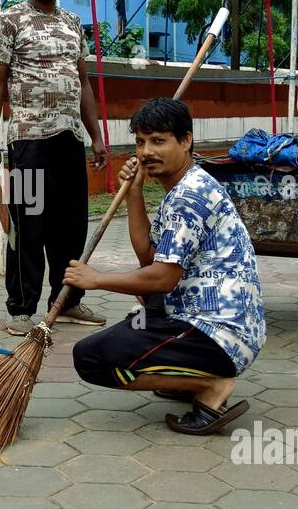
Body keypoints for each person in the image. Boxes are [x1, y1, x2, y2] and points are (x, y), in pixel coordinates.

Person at [65, 98, 265, 435]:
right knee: (141, 309)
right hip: (216, 325)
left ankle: (211, 385)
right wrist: (134, 191)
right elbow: (149, 257)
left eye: (158, 141)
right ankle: (186, 377)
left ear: (186, 140)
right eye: (140, 142)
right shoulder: (184, 186)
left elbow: (161, 277)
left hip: (220, 335)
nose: (146, 152)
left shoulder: (189, 197)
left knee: (91, 357)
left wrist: (97, 280)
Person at [0, 0, 110, 336]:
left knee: (71, 229)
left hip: (69, 140)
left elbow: (83, 82)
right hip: (28, 142)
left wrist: (96, 137)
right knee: (29, 228)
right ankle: (20, 309)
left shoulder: (73, 23)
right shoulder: (10, 21)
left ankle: (67, 301)